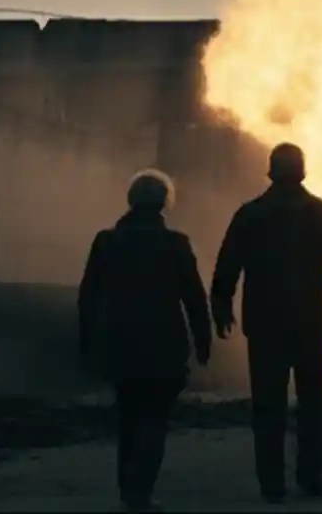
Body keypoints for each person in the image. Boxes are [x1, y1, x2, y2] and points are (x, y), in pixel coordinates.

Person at [210, 143, 322, 503]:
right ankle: (311, 477)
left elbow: (227, 265)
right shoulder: (321, 213)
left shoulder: (250, 215)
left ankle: (271, 483)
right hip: (310, 321)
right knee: (312, 401)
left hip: (265, 323)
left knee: (267, 403)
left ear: (270, 172)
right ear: (302, 172)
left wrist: (221, 307)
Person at [78, 169, 212, 512]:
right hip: (165, 343)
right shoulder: (175, 244)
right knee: (155, 418)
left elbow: (88, 297)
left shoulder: (106, 241)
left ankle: (128, 489)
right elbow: (194, 298)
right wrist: (203, 340)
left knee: (128, 416)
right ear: (164, 202)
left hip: (120, 342)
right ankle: (142, 490)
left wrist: (86, 342)